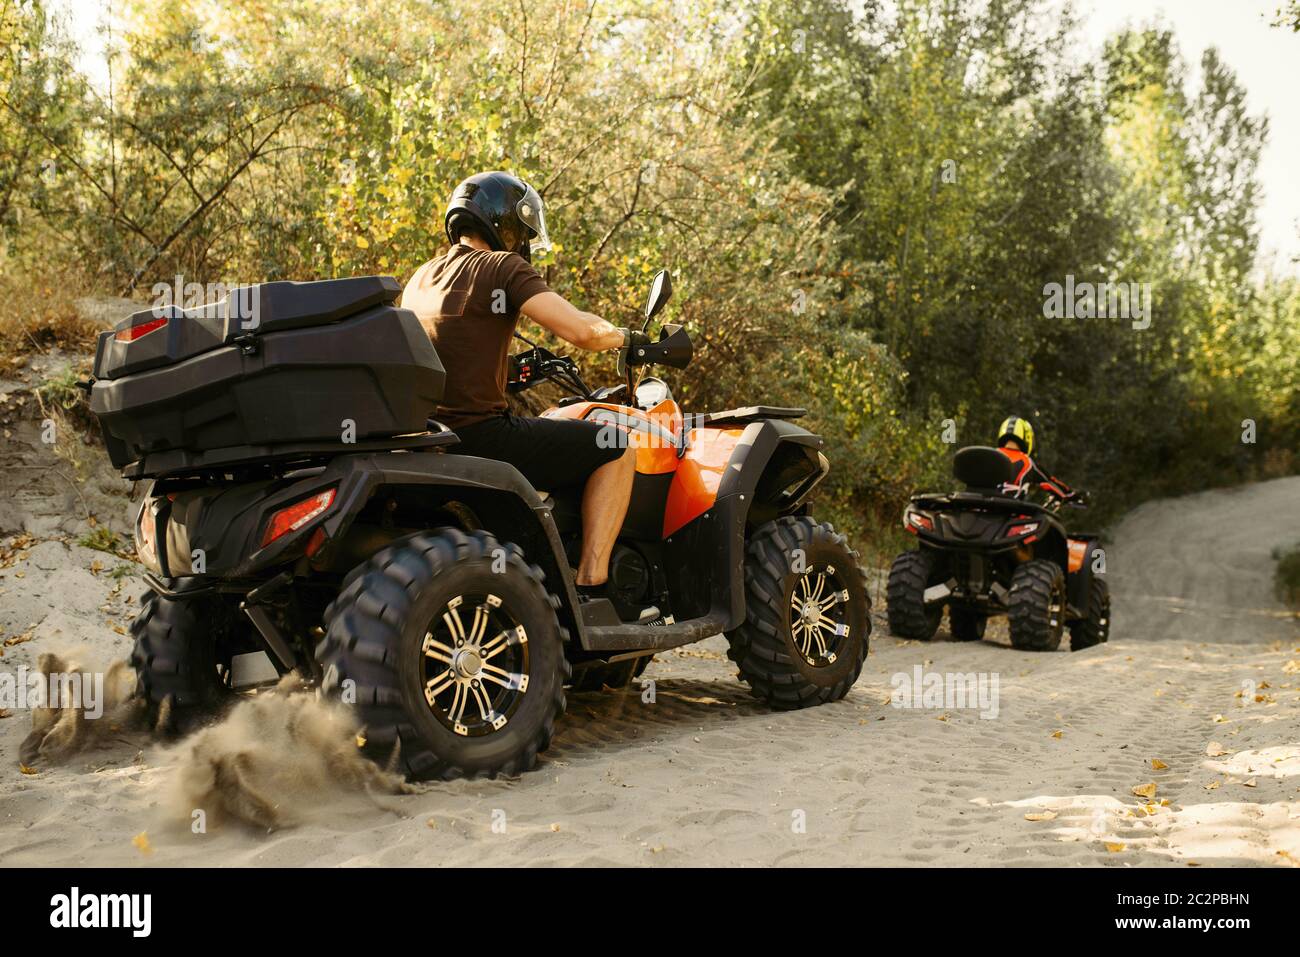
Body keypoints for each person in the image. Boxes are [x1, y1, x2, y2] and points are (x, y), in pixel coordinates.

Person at [400, 171, 640, 597]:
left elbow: (447, 350)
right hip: (482, 436)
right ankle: (592, 584)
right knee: (617, 446)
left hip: (429, 438)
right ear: (505, 224)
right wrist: (627, 337)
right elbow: (582, 332)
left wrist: (512, 370)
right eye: (522, 230)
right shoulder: (502, 266)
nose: (523, 242)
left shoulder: (422, 277)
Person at [994, 416, 1075, 501]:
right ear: (1027, 437)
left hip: (983, 508)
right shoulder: (1028, 462)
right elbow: (1050, 483)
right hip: (1010, 510)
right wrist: (1071, 494)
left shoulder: (990, 454)